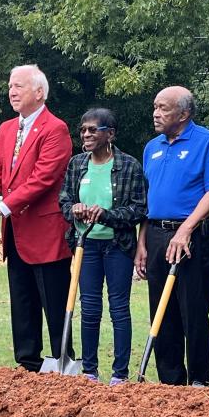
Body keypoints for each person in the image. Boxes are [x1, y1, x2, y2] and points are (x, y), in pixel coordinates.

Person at [0, 65, 73, 371]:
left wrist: (0, 209)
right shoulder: (6, 129)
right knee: (22, 302)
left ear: (38, 92)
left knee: (53, 302)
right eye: (10, 86)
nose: (12, 91)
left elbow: (43, 179)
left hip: (46, 231)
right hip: (17, 232)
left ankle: (62, 361)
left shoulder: (56, 129)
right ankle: (27, 364)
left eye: (19, 86)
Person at [134, 86, 209, 386]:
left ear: (184, 113)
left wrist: (186, 229)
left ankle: (201, 382)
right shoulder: (152, 147)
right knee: (161, 313)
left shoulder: (207, 141)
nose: (156, 114)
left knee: (194, 311)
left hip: (192, 236)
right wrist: (142, 243)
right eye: (154, 107)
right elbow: (150, 199)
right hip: (158, 235)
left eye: (163, 108)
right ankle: (170, 384)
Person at [58, 108, 146, 384]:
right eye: (83, 130)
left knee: (119, 307)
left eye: (93, 130)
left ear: (110, 134)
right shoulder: (77, 164)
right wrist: (75, 208)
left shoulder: (129, 165)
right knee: (90, 307)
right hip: (86, 246)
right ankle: (90, 372)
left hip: (117, 245)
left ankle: (120, 374)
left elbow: (138, 209)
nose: (86, 134)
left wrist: (106, 214)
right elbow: (63, 200)